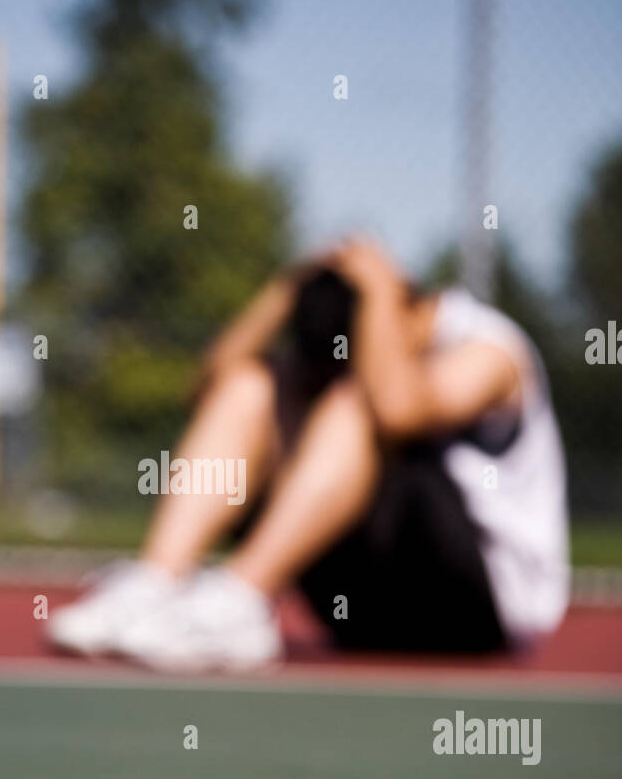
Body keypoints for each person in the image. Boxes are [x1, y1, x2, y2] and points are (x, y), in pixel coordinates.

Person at [47, 240, 570, 671]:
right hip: (371, 610)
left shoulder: (490, 348)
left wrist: (379, 289)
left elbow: (398, 411)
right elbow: (210, 387)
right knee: (249, 387)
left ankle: (236, 601)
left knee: (357, 401)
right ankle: (155, 585)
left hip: (475, 609)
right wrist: (286, 289)